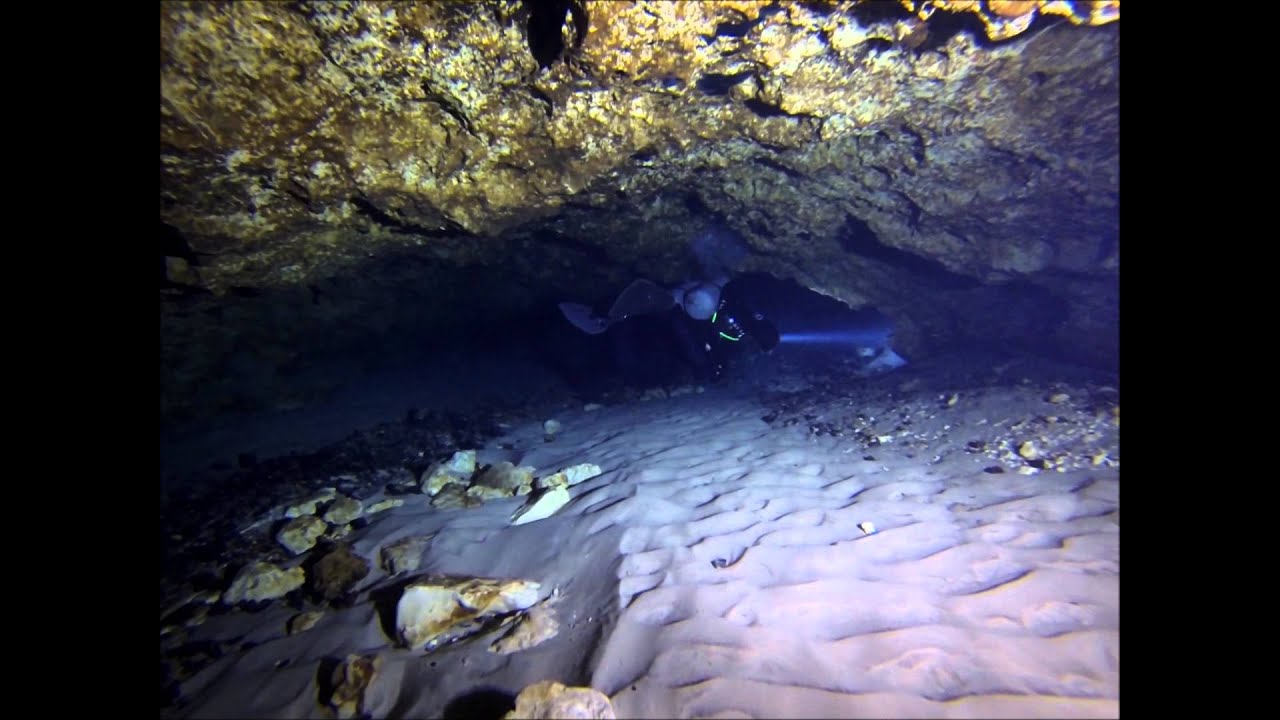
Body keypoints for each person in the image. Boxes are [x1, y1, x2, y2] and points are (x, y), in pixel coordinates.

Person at [559, 276, 779, 382]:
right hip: (670, 312)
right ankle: (601, 316)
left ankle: (602, 316)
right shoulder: (701, 308)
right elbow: (694, 344)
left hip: (672, 309)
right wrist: (710, 365)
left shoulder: (726, 304)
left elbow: (705, 340)